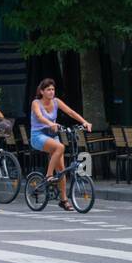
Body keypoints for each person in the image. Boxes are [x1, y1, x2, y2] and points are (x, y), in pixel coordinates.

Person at [30, 77, 92, 211]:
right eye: (48, 90)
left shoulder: (56, 102)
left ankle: (64, 200)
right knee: (60, 147)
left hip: (52, 136)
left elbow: (70, 112)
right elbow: (40, 117)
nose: (51, 92)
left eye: (53, 89)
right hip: (38, 136)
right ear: (42, 91)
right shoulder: (36, 103)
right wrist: (50, 123)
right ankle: (48, 175)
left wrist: (84, 122)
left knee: (62, 170)